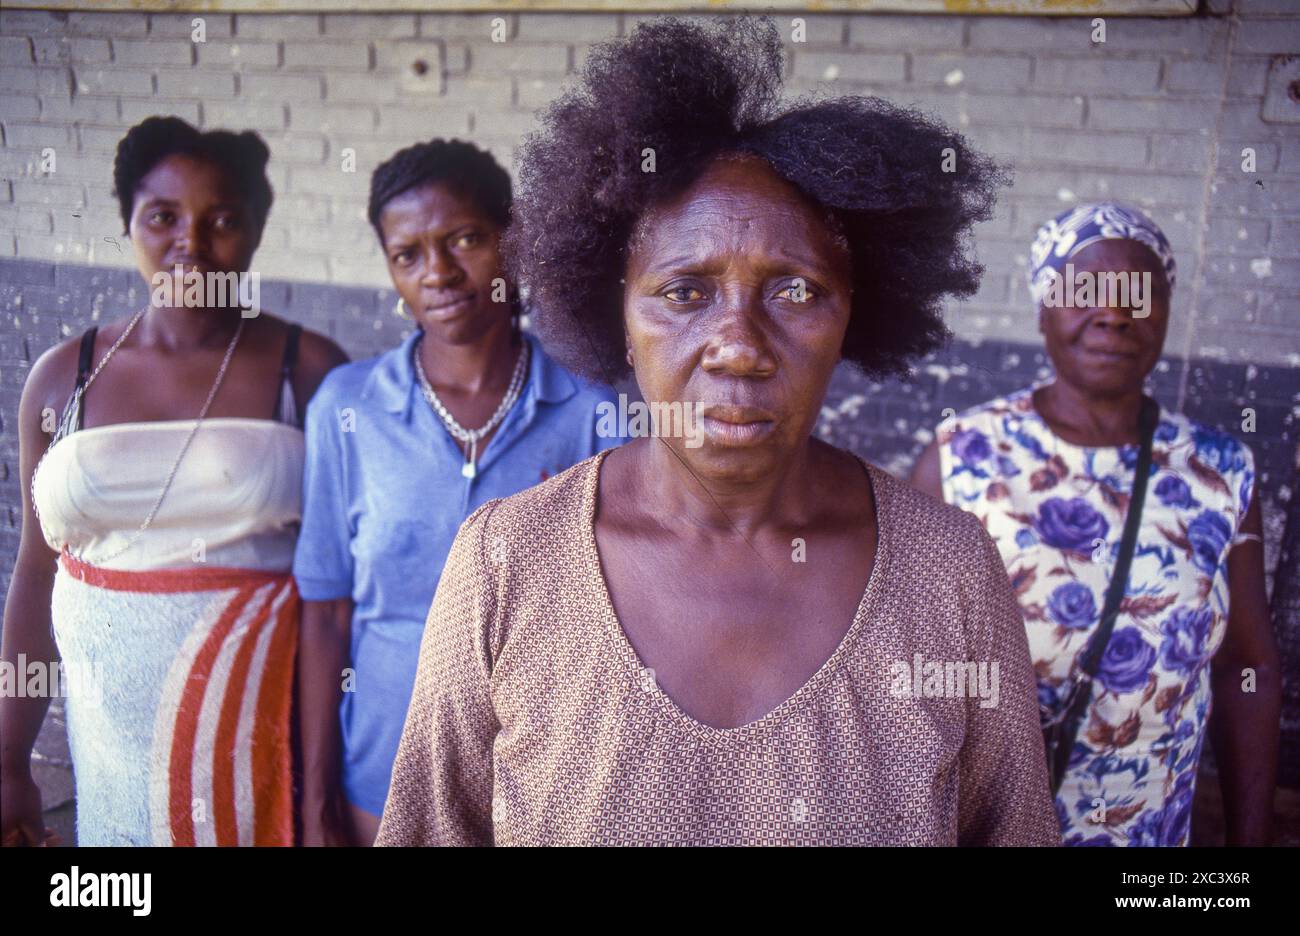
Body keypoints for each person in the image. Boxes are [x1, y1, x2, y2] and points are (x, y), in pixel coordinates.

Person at [376, 18, 1059, 847]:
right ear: (615, 315)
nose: (738, 345)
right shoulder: (504, 563)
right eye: (686, 292)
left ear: (857, 315)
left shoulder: (949, 572)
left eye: (797, 292)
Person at [0, 116, 347, 847]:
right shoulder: (64, 375)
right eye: (163, 216)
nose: (190, 241)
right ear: (128, 223)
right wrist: (8, 759)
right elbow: (36, 571)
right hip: (106, 739)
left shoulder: (308, 369)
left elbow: (339, 590)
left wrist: (326, 792)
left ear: (253, 232)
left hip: (250, 720)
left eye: (220, 219)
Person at [910, 202, 1280, 846]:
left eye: (1140, 294)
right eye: (1084, 290)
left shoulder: (1221, 472)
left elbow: (1247, 669)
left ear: (1166, 312)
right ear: (1042, 308)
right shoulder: (963, 457)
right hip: (989, 826)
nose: (1113, 312)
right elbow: (903, 667)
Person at [293, 139, 620, 847]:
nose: (437, 272)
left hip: (545, 782)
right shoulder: (347, 410)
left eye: (465, 238)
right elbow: (324, 616)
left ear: (513, 241)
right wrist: (316, 803)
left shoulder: (593, 412)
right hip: (377, 779)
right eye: (406, 254)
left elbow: (621, 618)